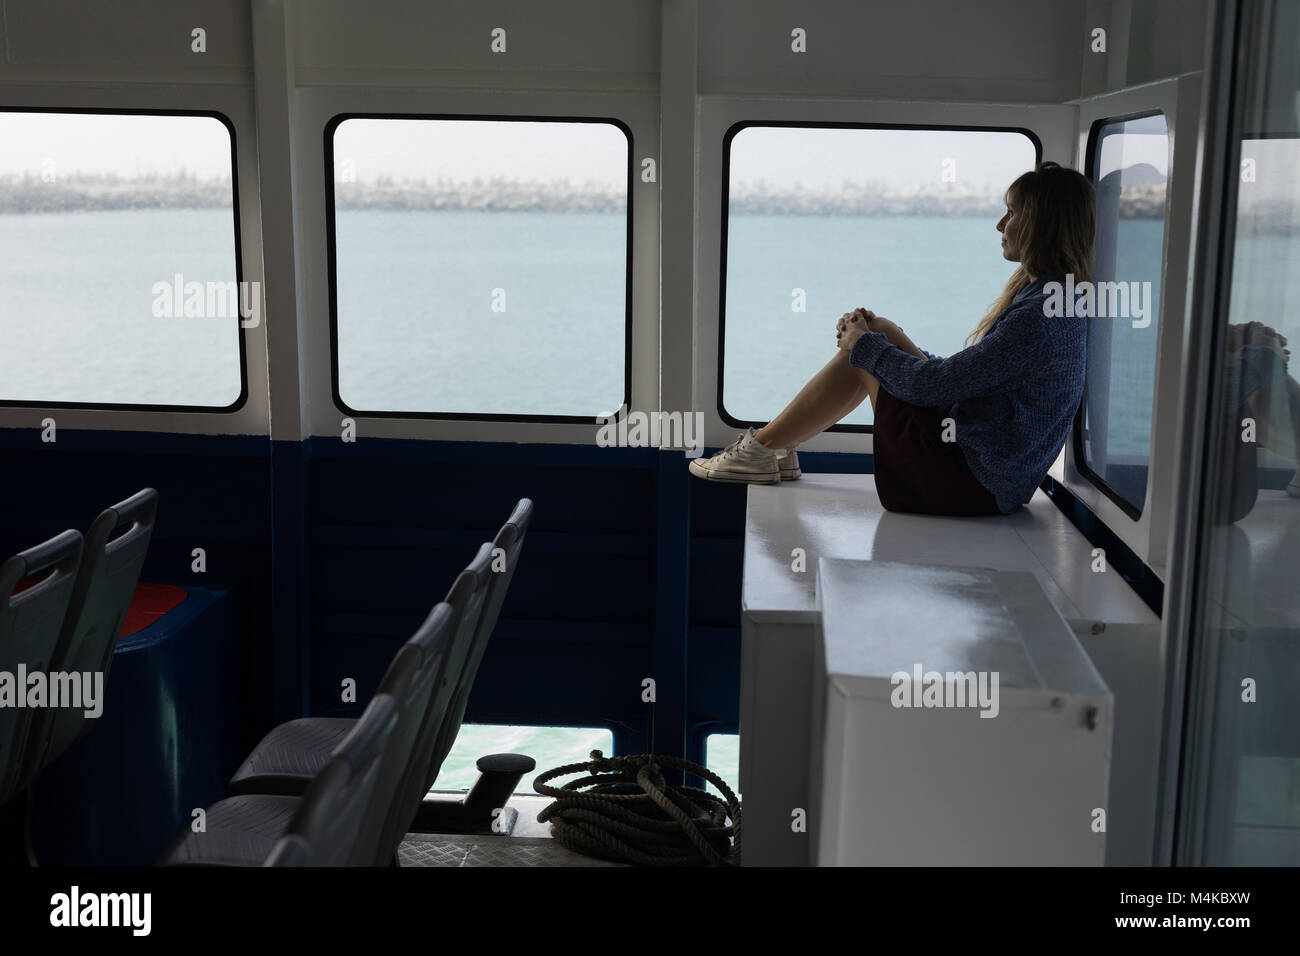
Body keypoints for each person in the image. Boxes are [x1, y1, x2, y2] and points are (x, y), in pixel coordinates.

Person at [688, 160, 1098, 517]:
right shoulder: (1053, 299)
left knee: (866, 350)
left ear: (1042, 224)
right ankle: (774, 447)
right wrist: (885, 336)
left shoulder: (1038, 318)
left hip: (965, 484)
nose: (1000, 225)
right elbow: (962, 380)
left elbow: (933, 386)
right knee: (878, 332)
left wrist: (862, 344)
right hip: (985, 477)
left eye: (1011, 213)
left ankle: (764, 448)